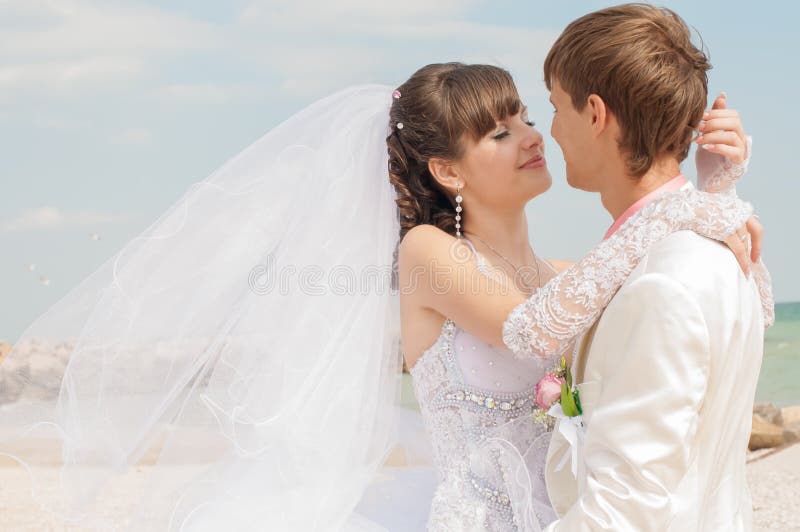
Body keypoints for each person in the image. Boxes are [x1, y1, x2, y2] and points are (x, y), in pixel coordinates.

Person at [0, 55, 768, 532]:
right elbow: (532, 332)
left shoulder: (565, 274)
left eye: (528, 117)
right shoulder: (428, 253)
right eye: (499, 133)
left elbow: (693, 313)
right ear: (449, 173)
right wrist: (671, 209)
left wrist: (709, 195)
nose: (532, 135)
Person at [534, 5, 769, 531]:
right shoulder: (718, 252)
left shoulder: (664, 279)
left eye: (554, 107)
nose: (549, 131)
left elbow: (626, 509)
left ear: (595, 114)